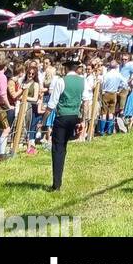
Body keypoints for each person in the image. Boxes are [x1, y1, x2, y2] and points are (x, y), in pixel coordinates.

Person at [48, 58, 85, 192]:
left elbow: (52, 103)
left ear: (66, 68)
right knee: (63, 147)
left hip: (62, 117)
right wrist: (82, 120)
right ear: (76, 68)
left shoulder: (61, 81)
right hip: (74, 117)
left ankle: (56, 183)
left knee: (58, 149)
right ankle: (57, 181)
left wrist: (43, 120)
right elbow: (85, 102)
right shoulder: (82, 81)